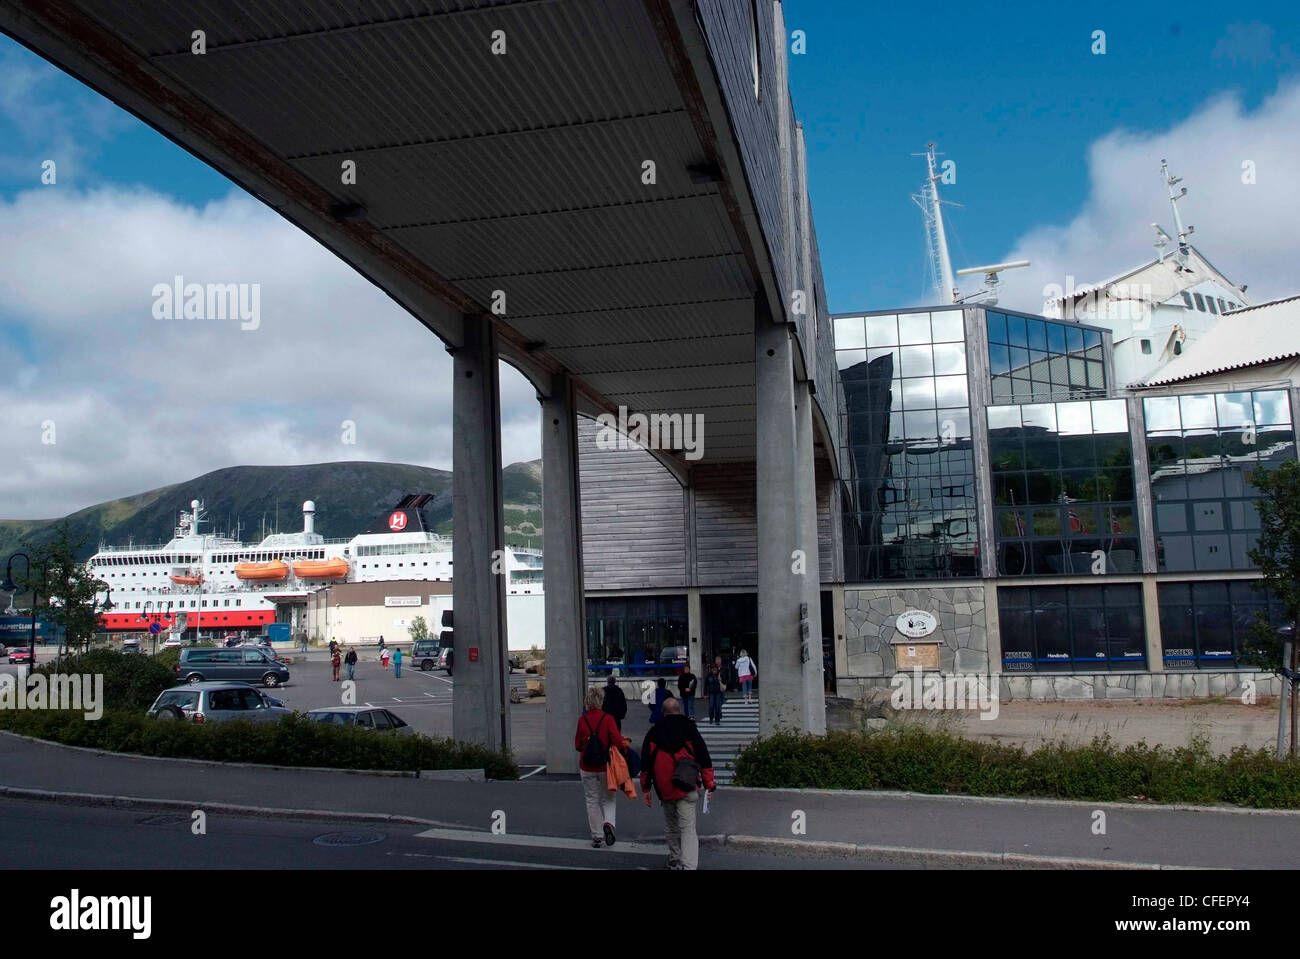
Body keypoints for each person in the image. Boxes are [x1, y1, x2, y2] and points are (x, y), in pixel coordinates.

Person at [640, 697, 715, 870]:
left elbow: (646, 764)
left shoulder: (654, 733)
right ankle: (688, 865)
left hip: (664, 787)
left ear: (663, 713)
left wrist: (646, 789)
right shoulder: (690, 728)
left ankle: (675, 858)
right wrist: (709, 783)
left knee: (671, 825)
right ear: (679, 710)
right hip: (686, 786)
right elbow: (704, 756)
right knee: (688, 828)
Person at [575, 687, 624, 848]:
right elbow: (617, 741)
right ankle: (609, 823)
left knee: (591, 800)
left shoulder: (582, 720)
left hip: (587, 765)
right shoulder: (608, 719)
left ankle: (597, 835)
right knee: (609, 798)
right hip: (605, 766)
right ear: (601, 701)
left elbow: (577, 745)